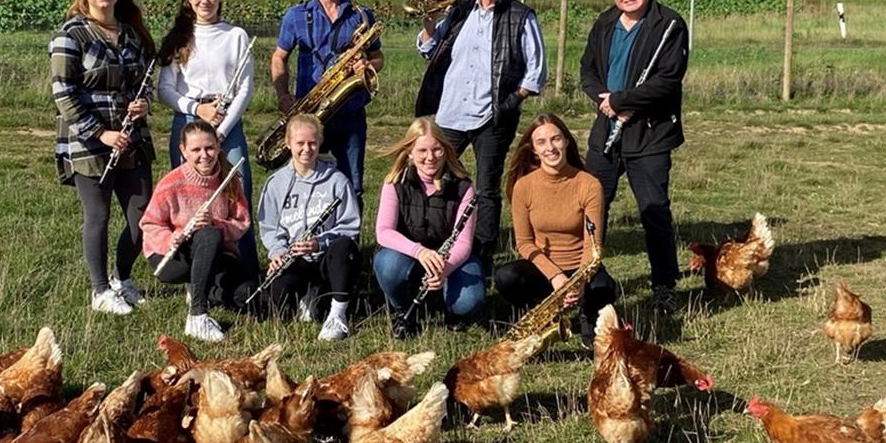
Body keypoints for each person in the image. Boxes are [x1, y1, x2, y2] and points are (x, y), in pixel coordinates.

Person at [414, 0, 546, 271]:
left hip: (493, 118)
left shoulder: (521, 15)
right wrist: (429, 22)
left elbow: (536, 72)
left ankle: (482, 254)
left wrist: (509, 103)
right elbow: (430, 49)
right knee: (437, 178)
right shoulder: (458, 10)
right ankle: (437, 245)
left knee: (486, 188)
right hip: (451, 114)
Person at [579, 0, 688, 316]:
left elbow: (667, 81)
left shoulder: (669, 24)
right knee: (592, 211)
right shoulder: (605, 22)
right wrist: (604, 102)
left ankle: (664, 287)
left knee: (653, 212)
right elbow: (588, 70)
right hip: (606, 132)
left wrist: (624, 101)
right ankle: (587, 279)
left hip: (650, 136)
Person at [49, 0, 155, 315]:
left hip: (132, 137)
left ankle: (121, 278)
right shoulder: (70, 35)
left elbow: (146, 81)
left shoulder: (131, 32)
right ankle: (99, 291)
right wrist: (101, 133)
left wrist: (145, 104)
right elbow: (63, 92)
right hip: (88, 140)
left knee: (143, 217)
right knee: (98, 216)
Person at [157, 0, 259, 278]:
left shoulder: (236, 35)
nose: (205, 0)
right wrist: (197, 109)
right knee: (189, 202)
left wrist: (223, 128)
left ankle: (247, 274)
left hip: (228, 124)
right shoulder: (178, 37)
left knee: (238, 196)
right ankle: (194, 276)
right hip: (190, 122)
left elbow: (246, 87)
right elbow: (164, 90)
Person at [270, 0, 384, 202]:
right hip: (310, 112)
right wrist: (282, 95)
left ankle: (350, 241)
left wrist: (367, 68)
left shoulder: (361, 15)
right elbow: (279, 56)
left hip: (350, 112)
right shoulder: (296, 15)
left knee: (352, 185)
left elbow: (378, 58)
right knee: (306, 181)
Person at [494, 113, 618, 346]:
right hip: (545, 269)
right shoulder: (524, 186)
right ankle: (540, 309)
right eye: (541, 142)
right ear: (533, 150)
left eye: (556, 139)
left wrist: (579, 282)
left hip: (581, 267)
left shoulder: (589, 184)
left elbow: (593, 244)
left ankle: (588, 314)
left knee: (605, 289)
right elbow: (524, 243)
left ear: (567, 142)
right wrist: (555, 277)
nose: (550, 147)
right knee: (506, 277)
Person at [373, 117, 485, 339]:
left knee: (468, 302)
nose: (430, 157)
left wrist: (445, 267)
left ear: (445, 151)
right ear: (410, 153)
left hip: (451, 258)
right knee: (388, 265)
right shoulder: (395, 183)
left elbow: (463, 242)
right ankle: (404, 309)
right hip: (409, 255)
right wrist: (419, 252)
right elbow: (383, 232)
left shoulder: (463, 187)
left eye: (437, 150)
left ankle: (452, 310)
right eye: (422, 150)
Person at [140, 121, 252, 342]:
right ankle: (197, 316)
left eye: (209, 148)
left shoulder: (230, 181)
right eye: (196, 150)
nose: (205, 155)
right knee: (208, 235)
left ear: (218, 145)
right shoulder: (171, 183)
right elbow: (150, 224)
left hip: (216, 255)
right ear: (183, 150)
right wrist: (173, 237)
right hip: (172, 257)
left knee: (247, 296)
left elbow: (242, 222)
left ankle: (204, 288)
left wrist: (215, 223)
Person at [256, 113, 362, 341]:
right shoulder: (276, 183)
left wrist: (319, 243)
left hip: (327, 259)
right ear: (288, 144)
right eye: (300, 143)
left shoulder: (337, 180)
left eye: (312, 143)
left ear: (320, 142)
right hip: (295, 257)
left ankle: (336, 314)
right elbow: (269, 227)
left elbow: (350, 228)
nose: (307, 149)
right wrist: (278, 252)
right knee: (277, 307)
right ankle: (306, 294)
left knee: (344, 247)